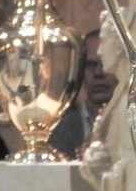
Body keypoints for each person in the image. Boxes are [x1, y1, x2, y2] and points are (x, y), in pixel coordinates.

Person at [49, 30, 119, 159]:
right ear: (80, 71)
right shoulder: (58, 131)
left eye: (106, 64)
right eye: (90, 65)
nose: (98, 73)